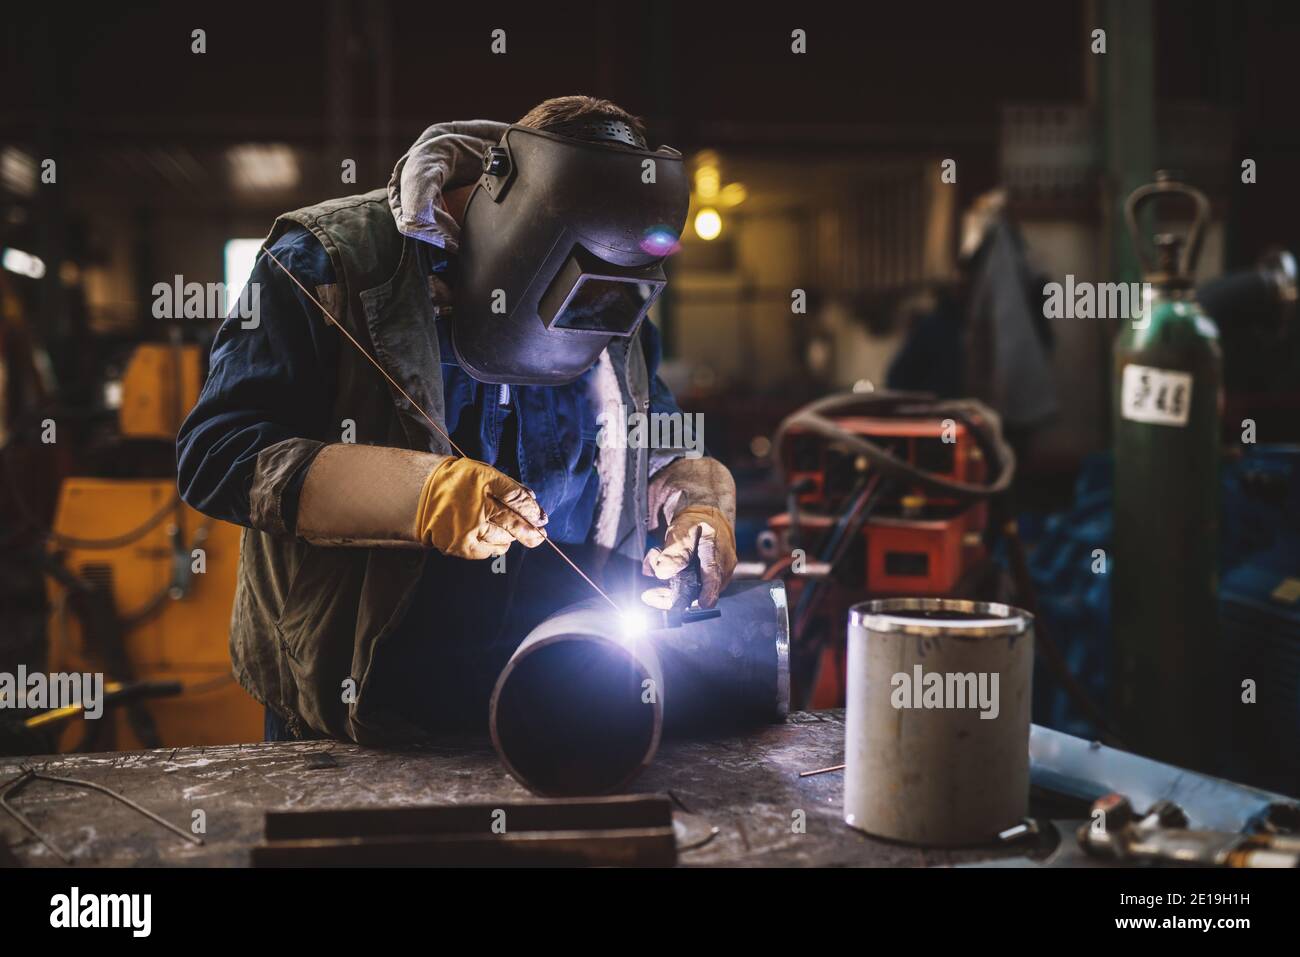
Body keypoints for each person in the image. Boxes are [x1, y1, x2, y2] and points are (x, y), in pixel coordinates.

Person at [176, 96, 738, 743]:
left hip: (562, 695)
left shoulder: (613, 283)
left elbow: (655, 438)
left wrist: (699, 504)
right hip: (364, 712)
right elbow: (217, 455)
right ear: (505, 214)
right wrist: (419, 493)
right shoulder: (326, 260)